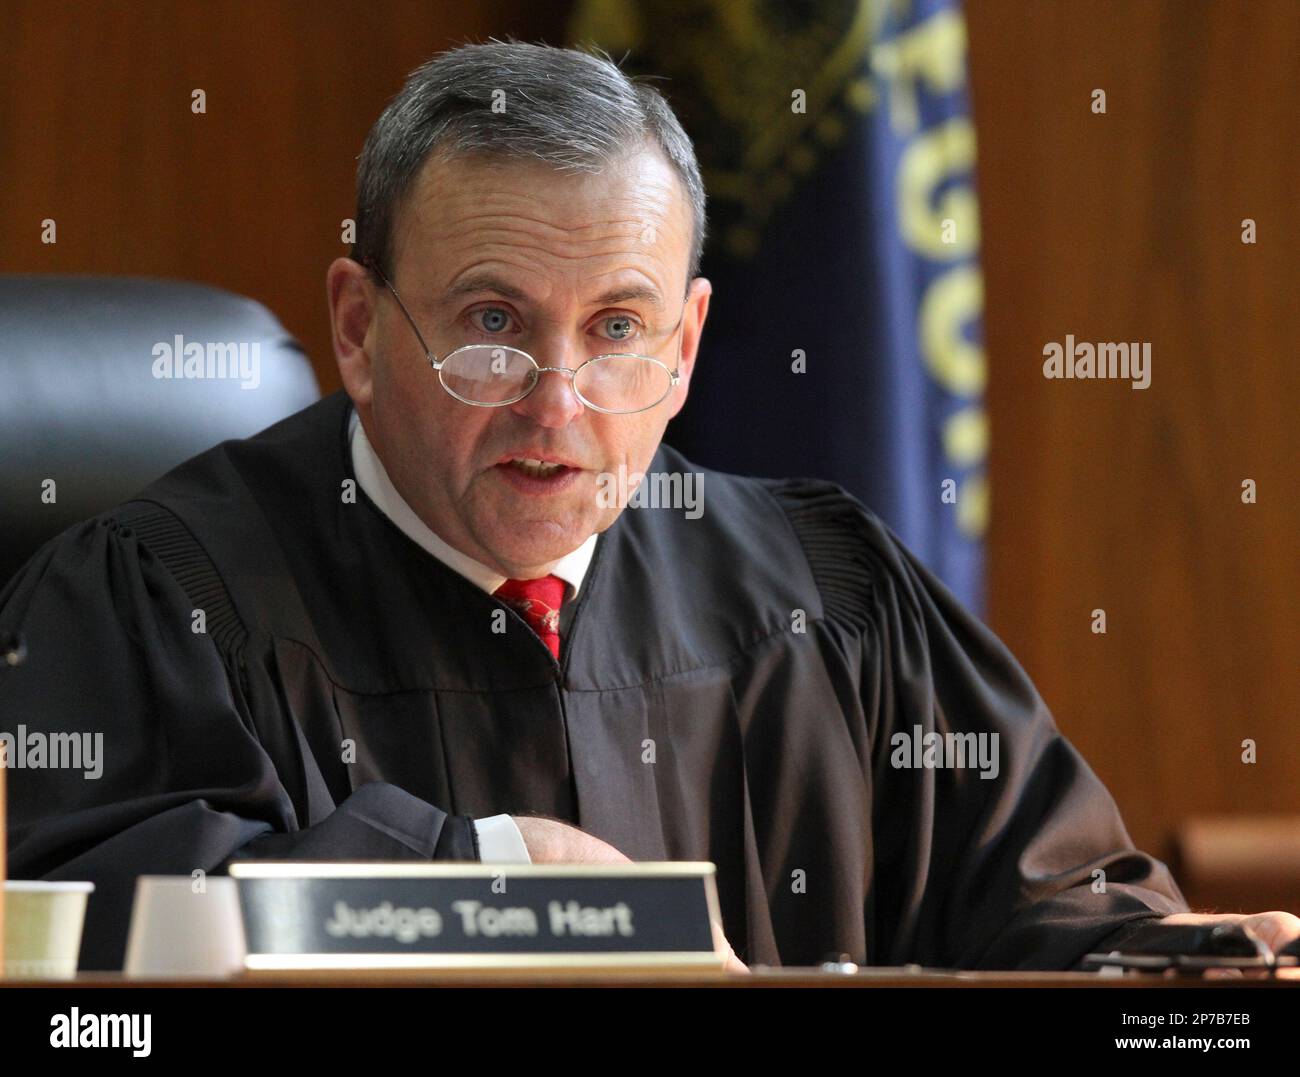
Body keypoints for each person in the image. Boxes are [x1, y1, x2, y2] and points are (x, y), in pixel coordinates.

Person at [2, 41, 1294, 973]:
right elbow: (89, 939)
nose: (555, 404)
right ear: (357, 326)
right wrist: (486, 874)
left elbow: (1047, 895)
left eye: (617, 329)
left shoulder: (824, 596)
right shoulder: (154, 599)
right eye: (493, 326)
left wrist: (1169, 977)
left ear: (686, 350)